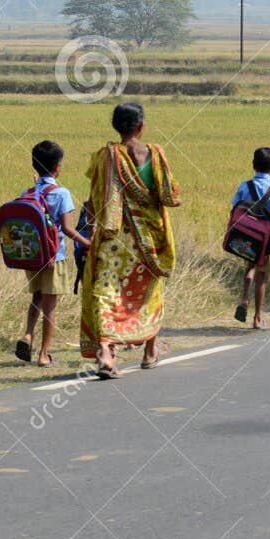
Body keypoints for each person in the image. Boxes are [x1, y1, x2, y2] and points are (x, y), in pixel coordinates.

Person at [81, 101, 181, 377]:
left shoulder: (106, 156)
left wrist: (91, 226)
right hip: (148, 240)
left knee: (106, 291)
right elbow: (169, 195)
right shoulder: (155, 154)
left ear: (116, 126)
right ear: (141, 126)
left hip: (113, 238)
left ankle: (106, 352)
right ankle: (149, 352)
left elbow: (94, 198)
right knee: (149, 292)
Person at [16, 140, 91, 368]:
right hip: (53, 257)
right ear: (58, 167)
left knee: (36, 297)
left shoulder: (27, 192)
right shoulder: (61, 193)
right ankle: (44, 354)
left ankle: (28, 334)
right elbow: (67, 229)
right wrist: (88, 243)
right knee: (50, 305)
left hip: (32, 256)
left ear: (34, 165)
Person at [231, 146, 270, 330]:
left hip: (245, 236)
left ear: (253, 165)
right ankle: (257, 318)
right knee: (262, 277)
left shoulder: (244, 186)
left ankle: (244, 298)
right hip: (265, 239)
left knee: (250, 266)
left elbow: (234, 209)